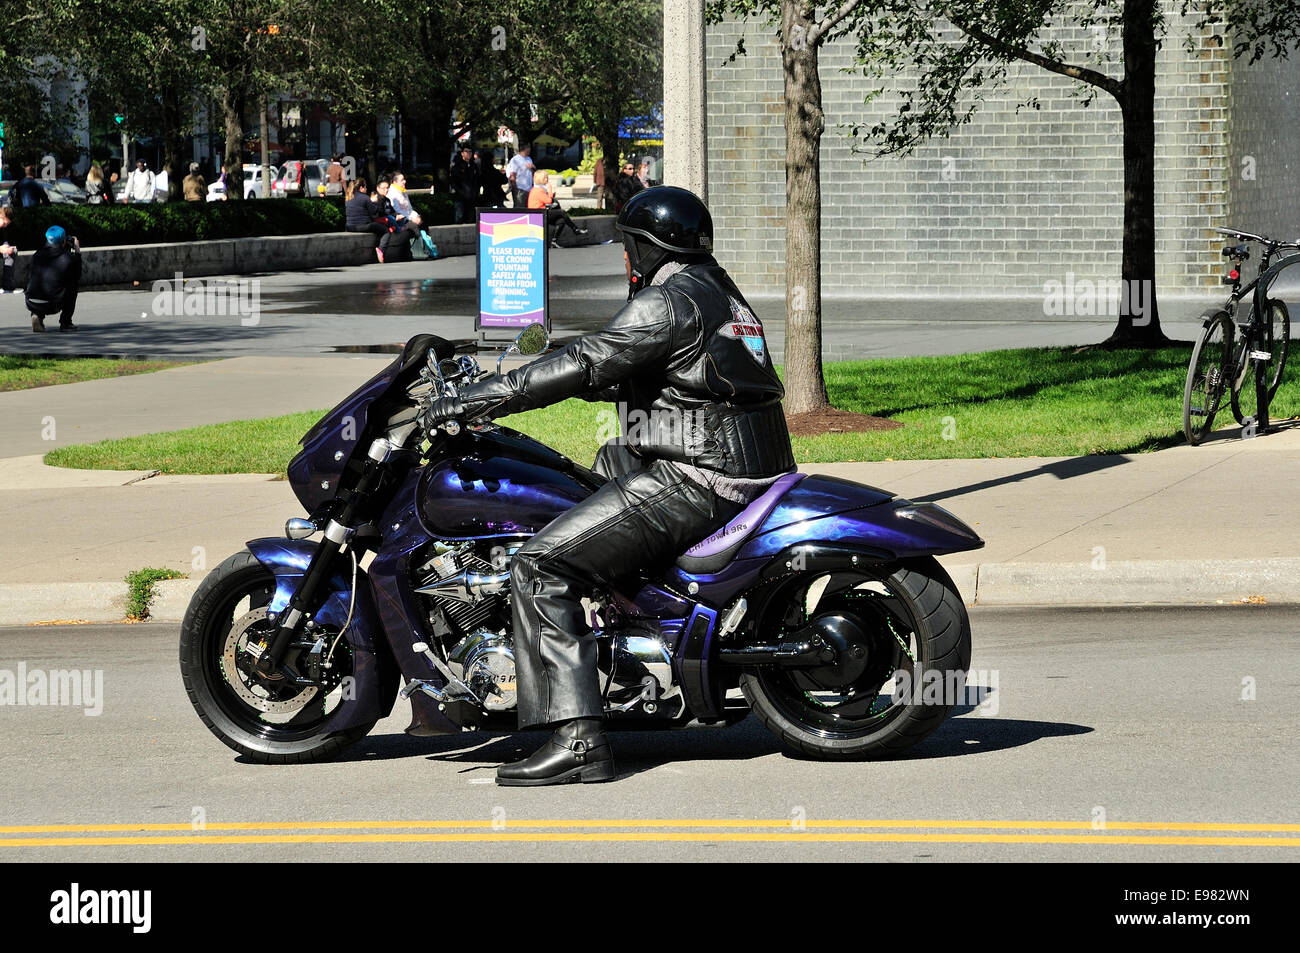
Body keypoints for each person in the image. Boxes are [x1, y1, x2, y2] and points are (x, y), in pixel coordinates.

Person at [418, 187, 796, 786]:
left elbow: (589, 360)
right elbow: (635, 368)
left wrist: (480, 396)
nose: (624, 257)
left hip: (698, 477)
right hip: (739, 465)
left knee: (541, 565)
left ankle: (577, 742)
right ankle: (624, 631)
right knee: (596, 466)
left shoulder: (666, 302)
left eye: (627, 245)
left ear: (646, 247)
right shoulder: (718, 292)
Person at [25, 225, 82, 332]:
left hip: (31, 302)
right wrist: (77, 251)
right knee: (73, 285)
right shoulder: (68, 258)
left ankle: (37, 315)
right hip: (52, 305)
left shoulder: (36, 255)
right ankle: (66, 322)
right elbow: (77, 275)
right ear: (63, 240)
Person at [528, 171, 588, 247]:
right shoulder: (537, 190)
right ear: (541, 179)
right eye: (545, 178)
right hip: (540, 213)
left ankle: (554, 241)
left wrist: (551, 195)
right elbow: (549, 201)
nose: (547, 179)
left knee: (561, 221)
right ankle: (575, 229)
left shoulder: (538, 189)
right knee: (562, 212)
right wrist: (550, 190)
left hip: (542, 211)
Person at [389, 171, 438, 258]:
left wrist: (416, 216)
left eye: (404, 179)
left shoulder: (403, 192)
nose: (405, 181)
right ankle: (422, 250)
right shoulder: (392, 195)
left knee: (423, 222)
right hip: (401, 220)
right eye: (402, 180)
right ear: (395, 182)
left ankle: (428, 247)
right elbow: (398, 211)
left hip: (408, 217)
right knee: (415, 226)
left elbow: (409, 209)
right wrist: (412, 219)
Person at [450, 144, 480, 224]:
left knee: (470, 218)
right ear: (462, 153)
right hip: (460, 196)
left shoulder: (474, 166)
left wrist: (476, 192)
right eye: (466, 151)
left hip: (472, 197)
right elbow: (454, 181)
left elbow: (477, 180)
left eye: (470, 152)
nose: (468, 153)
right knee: (459, 217)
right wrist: (460, 191)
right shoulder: (457, 166)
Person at [505, 143, 535, 209]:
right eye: (528, 148)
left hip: (529, 188)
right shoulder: (515, 160)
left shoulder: (529, 159)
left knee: (528, 208)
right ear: (524, 149)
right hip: (520, 189)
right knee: (519, 208)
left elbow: (533, 172)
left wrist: (533, 167)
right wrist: (515, 188)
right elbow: (512, 175)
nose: (530, 150)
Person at [0, 206, 16, 294]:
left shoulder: (2, 227)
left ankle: (7, 286)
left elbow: (3, 240)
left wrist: (7, 247)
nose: (4, 226)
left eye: (7, 224)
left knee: (13, 252)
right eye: (4, 223)